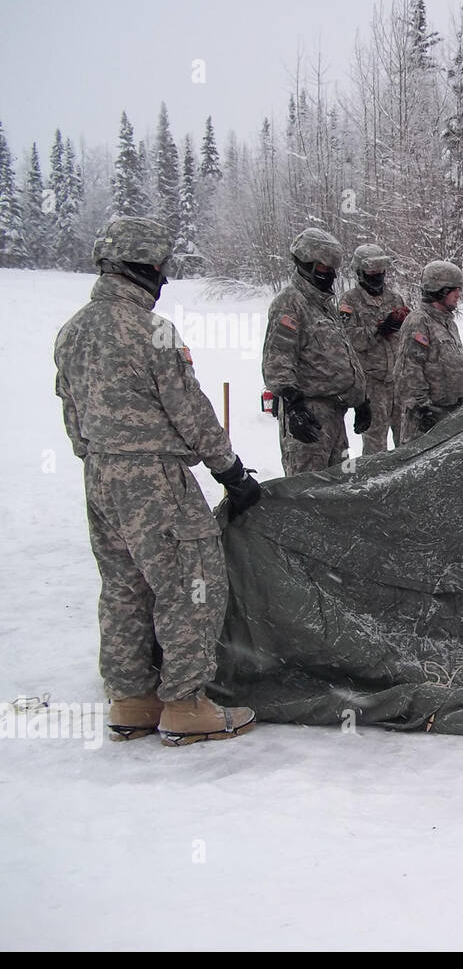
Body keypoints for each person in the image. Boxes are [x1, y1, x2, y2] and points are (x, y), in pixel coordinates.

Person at [53, 217, 260, 746]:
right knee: (191, 585)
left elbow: (72, 414)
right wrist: (229, 470)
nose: (164, 280)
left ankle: (131, 698)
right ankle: (186, 704)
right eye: (160, 270)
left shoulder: (73, 330)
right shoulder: (152, 332)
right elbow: (189, 409)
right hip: (155, 479)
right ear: (143, 268)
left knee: (124, 588)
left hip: (100, 476)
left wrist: (103, 456)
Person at [262, 228, 369, 476]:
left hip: (335, 414)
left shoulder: (325, 306)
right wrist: (294, 407)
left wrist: (361, 399)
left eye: (332, 269)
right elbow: (278, 360)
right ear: (306, 265)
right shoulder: (290, 303)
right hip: (309, 417)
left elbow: (342, 355)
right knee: (307, 494)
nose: (330, 275)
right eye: (323, 268)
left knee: (341, 491)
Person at [338, 244, 409, 455]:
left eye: (381, 269)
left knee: (406, 439)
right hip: (372, 383)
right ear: (360, 272)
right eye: (371, 270)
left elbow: (406, 334)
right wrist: (378, 330)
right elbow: (348, 338)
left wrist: (403, 323)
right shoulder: (349, 301)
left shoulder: (395, 298)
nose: (377, 275)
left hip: (398, 379)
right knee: (375, 445)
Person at [397, 260, 463, 443]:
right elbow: (409, 369)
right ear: (439, 290)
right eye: (454, 289)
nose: (459, 294)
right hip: (429, 421)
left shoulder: (447, 323)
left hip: (451, 417)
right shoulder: (419, 322)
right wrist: (422, 409)